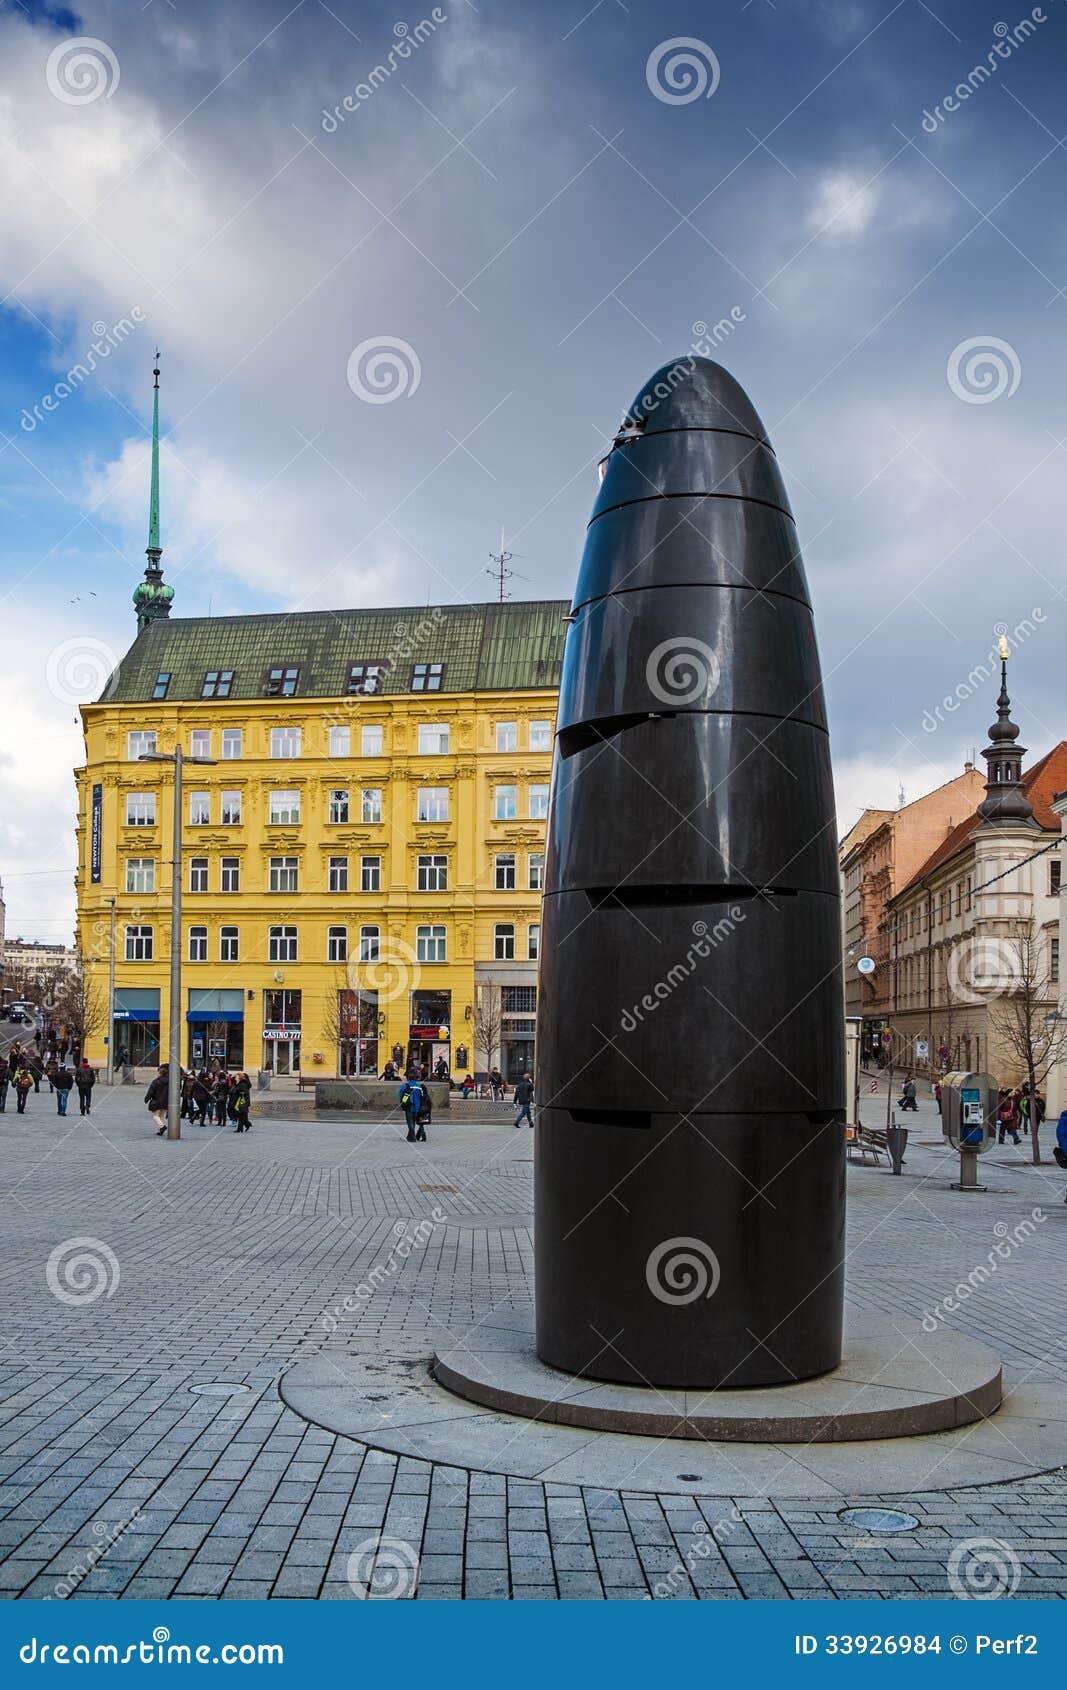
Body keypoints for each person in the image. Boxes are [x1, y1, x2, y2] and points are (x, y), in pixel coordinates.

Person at [145, 1066, 170, 1136]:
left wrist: (146, 1099)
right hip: (166, 1101)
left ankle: (162, 1127)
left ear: (160, 1073)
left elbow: (151, 1091)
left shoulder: (156, 1081)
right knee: (162, 1116)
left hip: (157, 1100)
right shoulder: (170, 1081)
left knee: (155, 1115)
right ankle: (160, 1130)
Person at [399, 1076, 423, 1143]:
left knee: (410, 1122)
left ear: (408, 1078)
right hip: (417, 1107)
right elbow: (422, 1096)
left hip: (408, 1106)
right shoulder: (419, 1086)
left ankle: (412, 1137)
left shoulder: (405, 1086)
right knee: (413, 1121)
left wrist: (402, 1104)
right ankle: (409, 1136)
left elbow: (401, 1095)